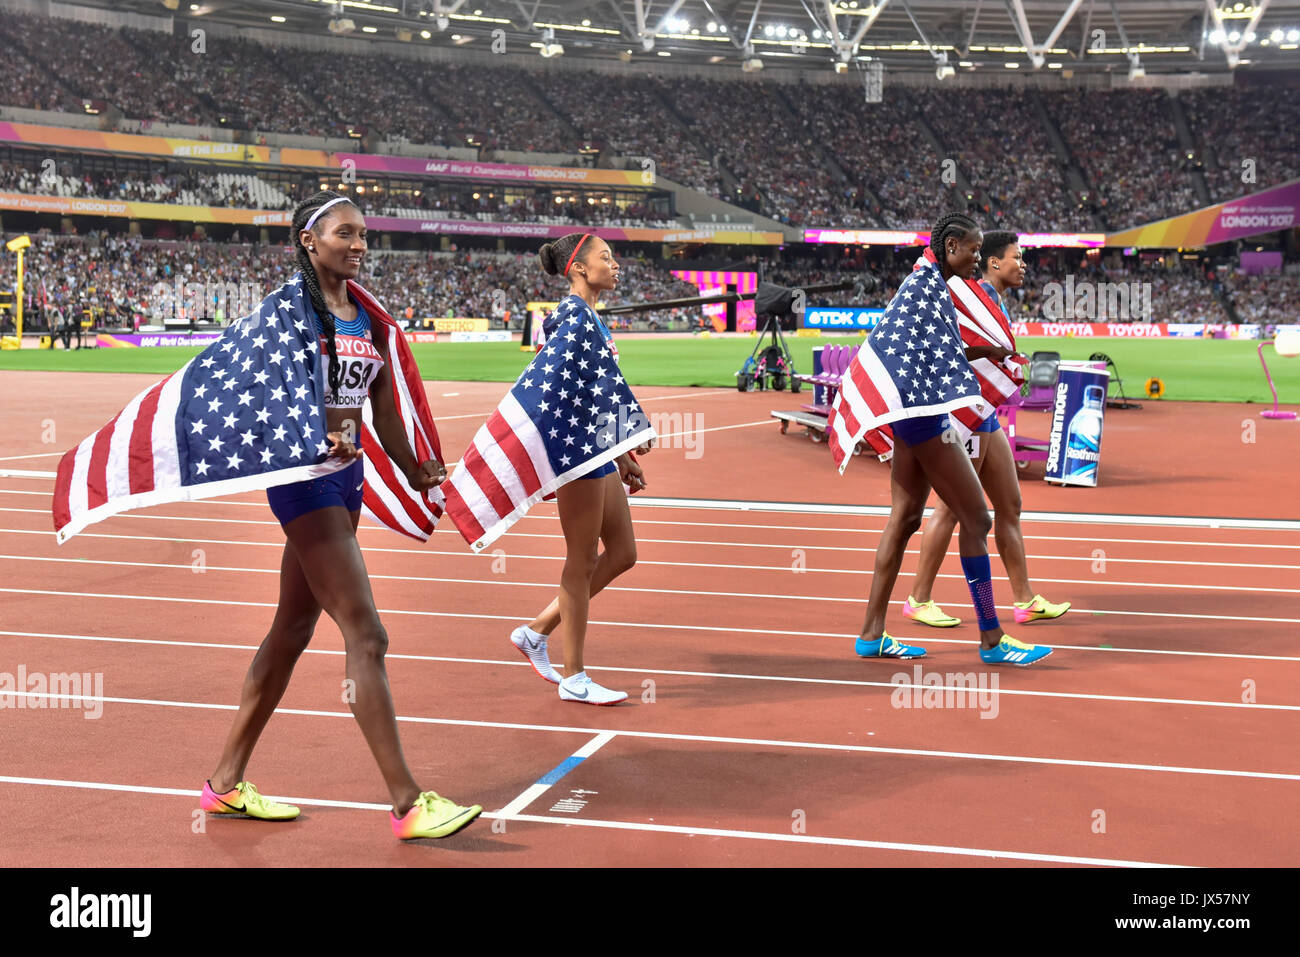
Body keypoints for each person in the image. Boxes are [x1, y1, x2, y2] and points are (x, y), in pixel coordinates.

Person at [201, 191, 482, 839]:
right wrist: (316, 430)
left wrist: (421, 470)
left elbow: (382, 412)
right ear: (309, 239)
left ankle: (223, 783)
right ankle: (408, 803)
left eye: (364, 235)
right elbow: (260, 389)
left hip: (347, 479)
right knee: (368, 633)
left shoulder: (368, 318)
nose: (359, 244)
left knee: (293, 627)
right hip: (304, 480)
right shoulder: (283, 314)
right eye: (345, 233)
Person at [829, 213, 1052, 667]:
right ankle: (992, 639)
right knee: (977, 520)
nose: (976, 259)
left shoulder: (926, 279)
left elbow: (939, 346)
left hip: (911, 413)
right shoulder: (929, 287)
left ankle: (871, 634)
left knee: (905, 517)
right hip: (924, 418)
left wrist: (986, 351)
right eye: (972, 250)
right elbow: (920, 348)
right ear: (952, 246)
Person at [452, 233, 650, 705]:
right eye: (606, 257)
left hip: (597, 450)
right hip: (575, 452)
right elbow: (561, 390)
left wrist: (622, 455)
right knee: (580, 560)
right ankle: (574, 675)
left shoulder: (590, 319)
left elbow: (592, 391)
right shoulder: (570, 316)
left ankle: (537, 630)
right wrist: (630, 430)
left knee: (623, 552)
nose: (615, 264)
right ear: (579, 268)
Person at [902, 231, 1069, 629]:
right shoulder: (971, 298)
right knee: (953, 509)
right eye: (1017, 257)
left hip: (986, 413)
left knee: (1010, 505)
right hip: (969, 412)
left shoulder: (993, 301)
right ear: (995, 262)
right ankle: (919, 598)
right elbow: (952, 349)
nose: (1024, 265)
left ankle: (1024, 600)